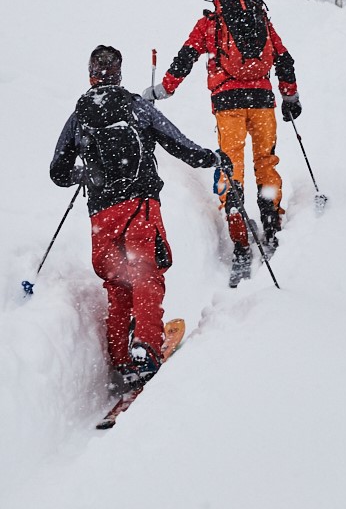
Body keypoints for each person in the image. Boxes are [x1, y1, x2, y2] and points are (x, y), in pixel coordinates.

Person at [50, 44, 228, 390]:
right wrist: (211, 158)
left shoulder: (80, 115)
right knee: (146, 274)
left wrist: (86, 176)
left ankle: (121, 360)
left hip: (101, 214)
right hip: (139, 205)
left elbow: (58, 171)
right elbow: (179, 144)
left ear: (90, 74)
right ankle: (146, 346)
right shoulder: (136, 106)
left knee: (118, 285)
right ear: (118, 73)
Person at [145, 0, 300, 285]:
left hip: (227, 103)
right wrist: (290, 96)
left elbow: (186, 56)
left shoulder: (211, 21)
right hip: (262, 102)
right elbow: (283, 58)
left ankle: (241, 241)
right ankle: (271, 228)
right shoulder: (262, 19)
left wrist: (165, 88)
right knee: (266, 163)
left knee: (231, 169)